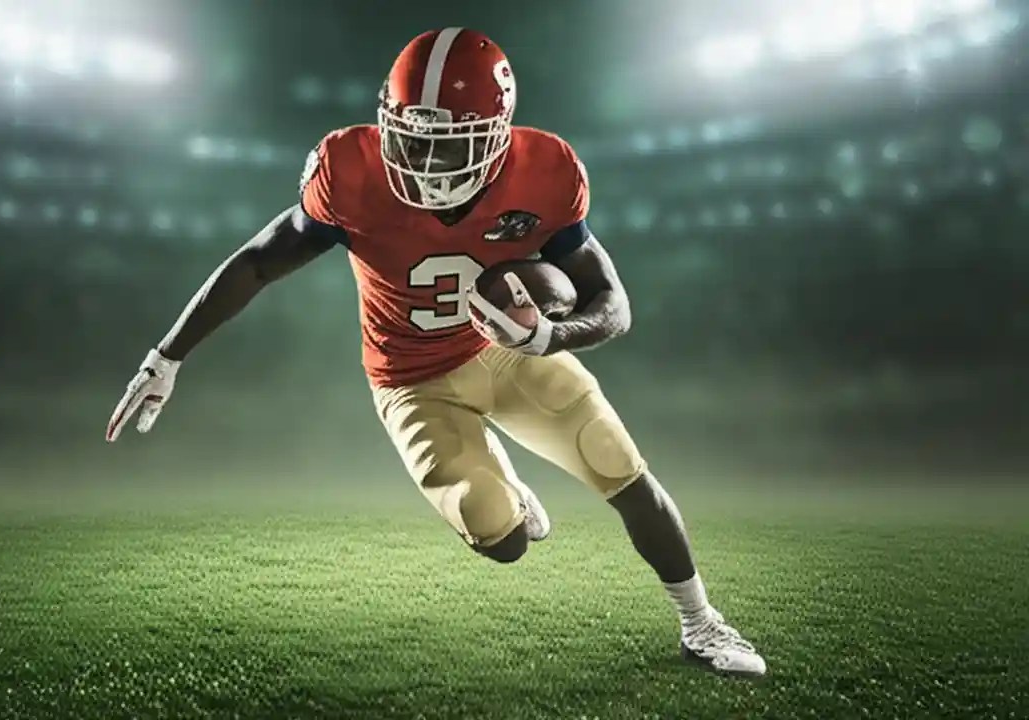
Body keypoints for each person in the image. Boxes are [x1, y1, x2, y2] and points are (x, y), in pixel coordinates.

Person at [107, 27, 765, 676]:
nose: (421, 162)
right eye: (411, 138)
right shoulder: (351, 171)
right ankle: (503, 481)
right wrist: (167, 356)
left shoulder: (545, 172)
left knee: (620, 467)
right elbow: (259, 262)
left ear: (497, 138)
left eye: (446, 146)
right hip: (410, 378)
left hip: (506, 353)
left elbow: (611, 301)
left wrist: (548, 336)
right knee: (503, 539)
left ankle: (701, 624)